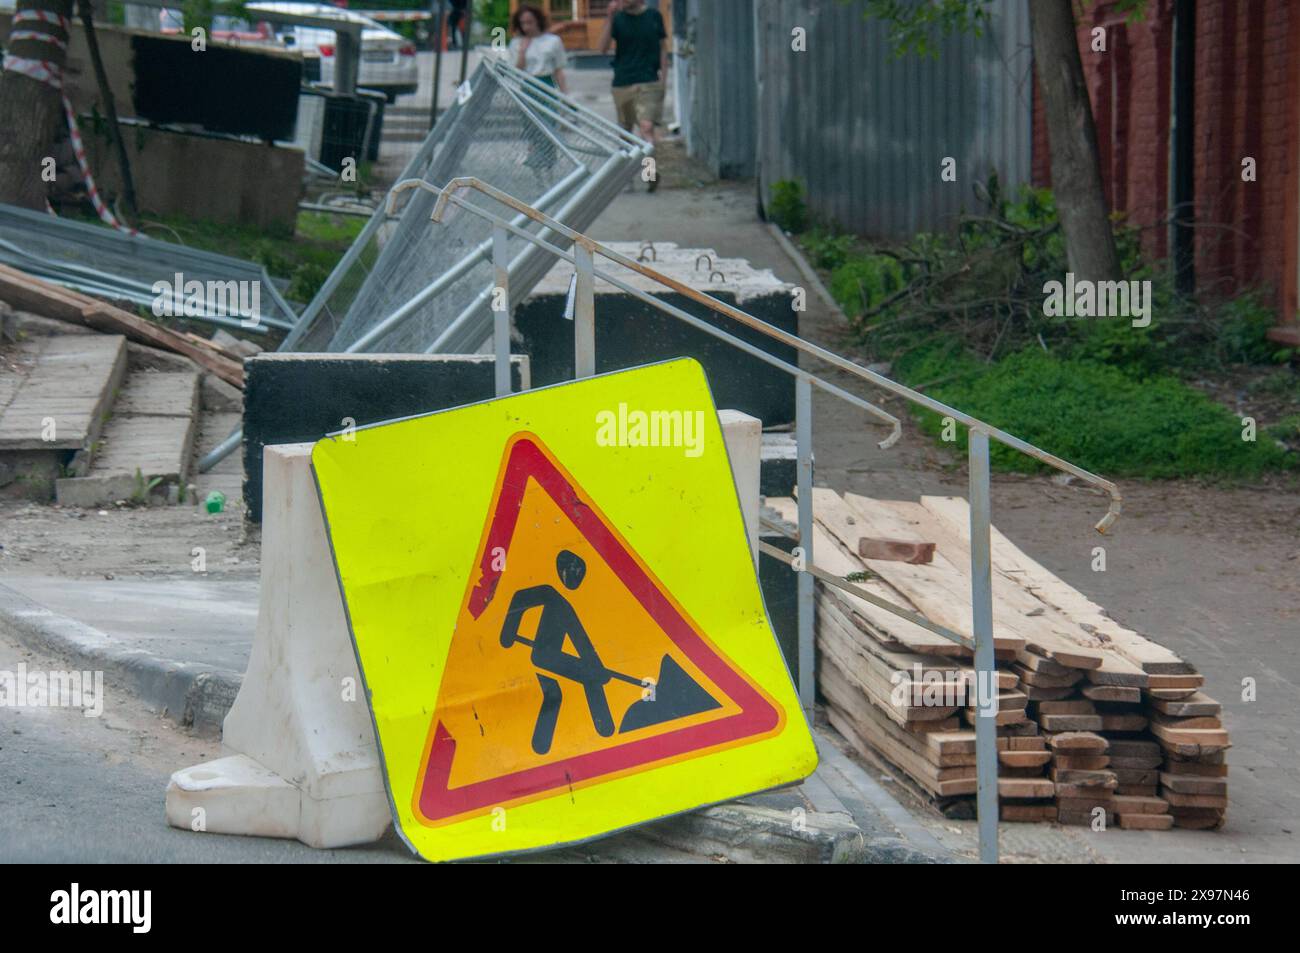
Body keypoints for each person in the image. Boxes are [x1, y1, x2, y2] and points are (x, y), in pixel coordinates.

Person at [599, 0, 667, 192]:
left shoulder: (654, 16)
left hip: (649, 80)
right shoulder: (618, 19)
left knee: (646, 127)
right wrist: (610, 18)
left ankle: (650, 173)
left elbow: (663, 47)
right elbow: (602, 48)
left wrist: (664, 79)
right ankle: (627, 178)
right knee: (626, 131)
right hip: (623, 81)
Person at [507, 4, 569, 96]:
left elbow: (558, 70)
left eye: (530, 22)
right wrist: (522, 52)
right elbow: (516, 71)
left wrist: (565, 95)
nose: (526, 27)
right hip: (527, 85)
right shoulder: (516, 43)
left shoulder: (553, 41)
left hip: (547, 85)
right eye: (523, 23)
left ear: (538, 21)